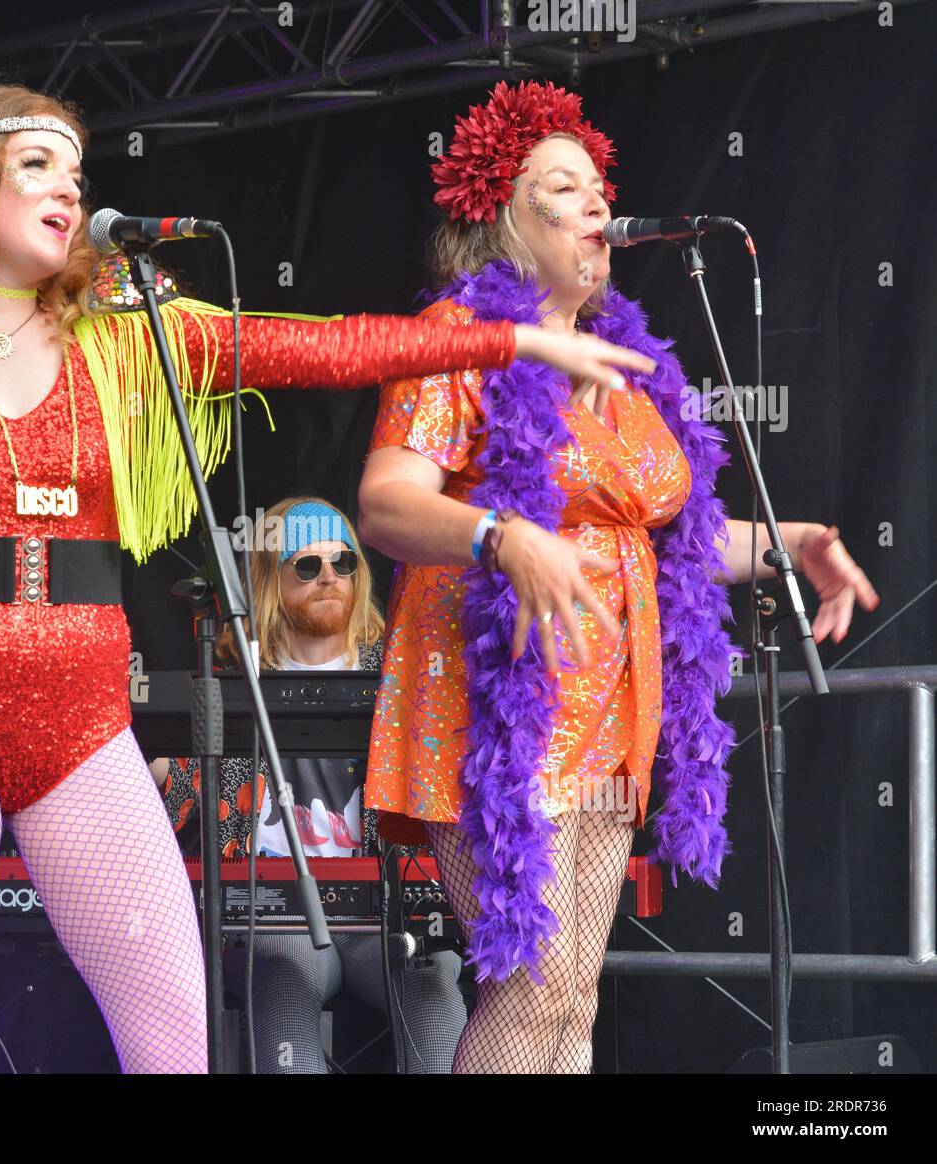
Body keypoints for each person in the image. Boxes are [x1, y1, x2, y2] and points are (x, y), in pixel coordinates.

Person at [0, 84, 653, 1074]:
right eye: (37, 165)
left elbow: (331, 349)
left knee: (176, 1038)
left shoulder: (131, 347)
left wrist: (507, 337)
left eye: (77, 171)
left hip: (81, 724)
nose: (70, 189)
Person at [358, 79, 881, 1074]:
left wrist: (792, 540)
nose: (599, 204)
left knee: (575, 1003)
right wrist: (501, 536)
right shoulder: (456, 347)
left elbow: (668, 543)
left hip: (611, 709)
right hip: (495, 701)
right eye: (564, 186)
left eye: (600, 185)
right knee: (530, 989)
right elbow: (385, 505)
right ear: (496, 218)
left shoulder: (620, 366)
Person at [154, 498, 467, 1073]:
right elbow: (176, 794)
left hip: (381, 917)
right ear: (271, 580)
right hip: (277, 919)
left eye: (342, 562)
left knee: (432, 975)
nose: (328, 576)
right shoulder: (231, 682)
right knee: (282, 967)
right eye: (306, 565)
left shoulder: (404, 680)